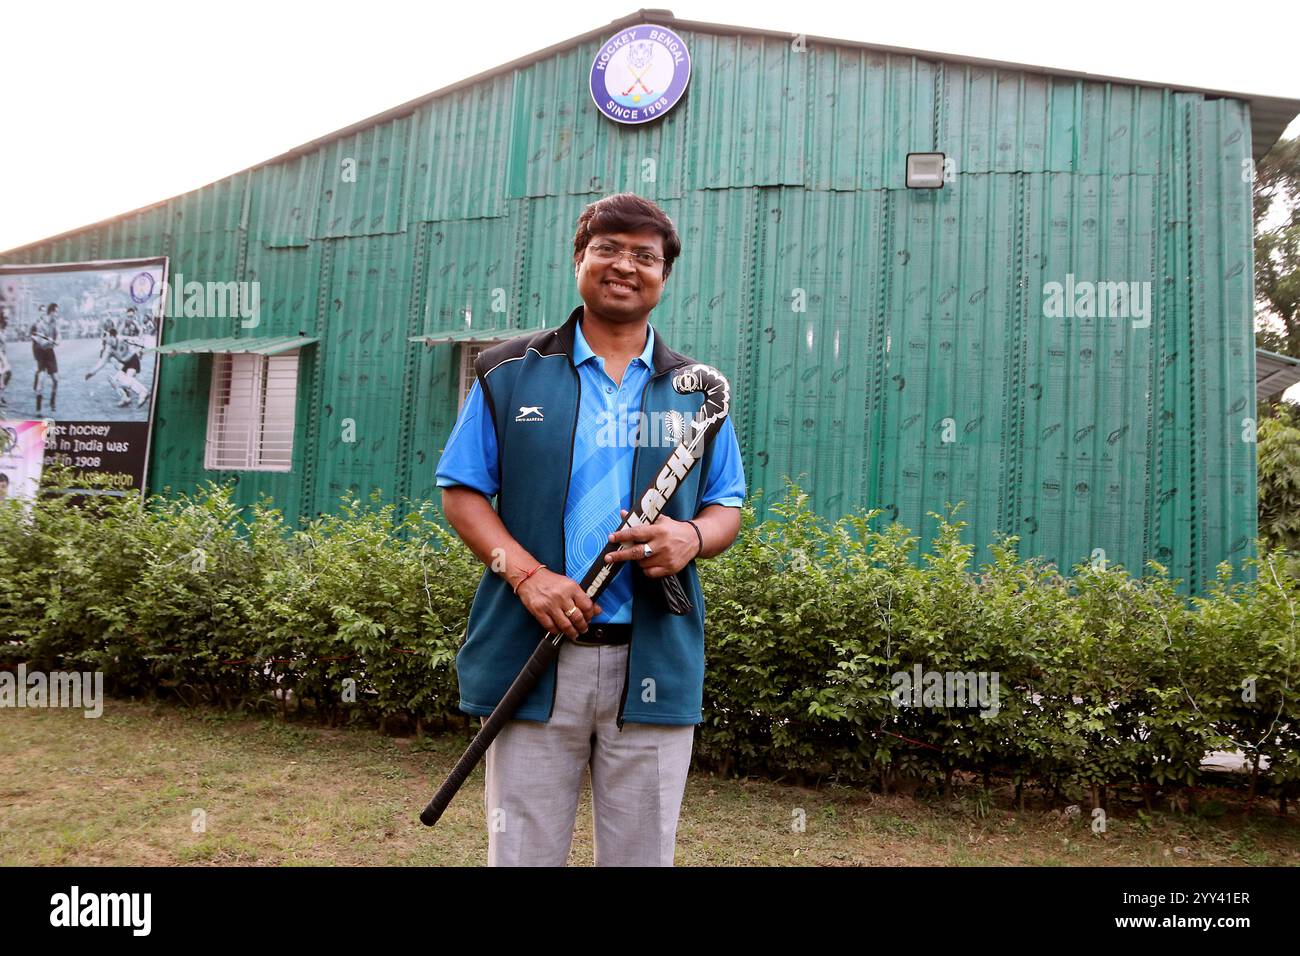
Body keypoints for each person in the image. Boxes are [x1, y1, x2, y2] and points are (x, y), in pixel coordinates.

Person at [435, 193, 746, 867]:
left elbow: (727, 505)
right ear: (579, 260)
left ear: (665, 276)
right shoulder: (507, 372)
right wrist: (526, 575)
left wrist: (690, 538)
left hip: (655, 661)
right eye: (608, 248)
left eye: (645, 255)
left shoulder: (700, 391)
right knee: (521, 854)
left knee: (641, 857)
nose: (625, 265)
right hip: (532, 653)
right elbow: (461, 491)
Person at [30, 302, 61, 414]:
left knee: (56, 380)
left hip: (50, 353)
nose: (57, 314)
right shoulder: (40, 325)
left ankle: (52, 401)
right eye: (56, 311)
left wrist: (57, 340)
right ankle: (38, 409)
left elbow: (59, 335)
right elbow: (41, 343)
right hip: (41, 353)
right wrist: (49, 341)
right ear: (52, 311)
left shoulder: (54, 323)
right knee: (41, 381)